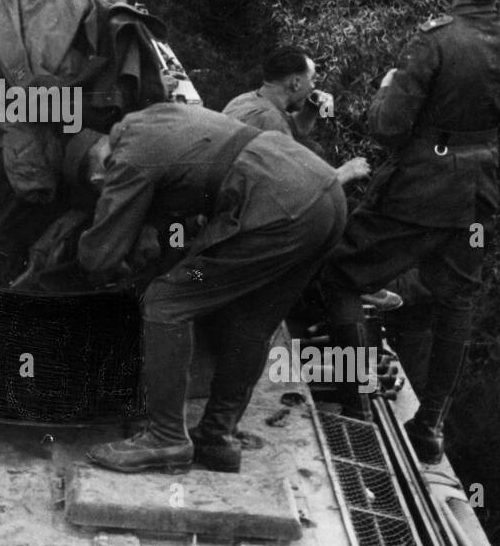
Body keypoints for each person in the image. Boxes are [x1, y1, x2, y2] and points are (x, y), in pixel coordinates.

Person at [73, 103, 347, 474]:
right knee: (250, 320)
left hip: (275, 207)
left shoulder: (127, 159)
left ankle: (167, 437)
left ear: (98, 170)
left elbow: (101, 256)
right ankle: (218, 438)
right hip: (323, 196)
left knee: (166, 301)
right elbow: (184, 188)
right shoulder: (157, 120)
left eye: (100, 186)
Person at [321, 0, 500, 457]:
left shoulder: (437, 39)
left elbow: (389, 129)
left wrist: (383, 94)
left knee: (342, 273)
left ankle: (355, 407)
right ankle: (430, 427)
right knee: (457, 298)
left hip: (424, 186)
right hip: (483, 192)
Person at [223, 46, 371, 186]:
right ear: (296, 83)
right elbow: (298, 188)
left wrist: (310, 109)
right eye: (312, 79)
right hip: (242, 195)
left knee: (313, 148)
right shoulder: (270, 120)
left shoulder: (245, 100)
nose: (313, 86)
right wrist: (346, 172)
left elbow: (294, 129)